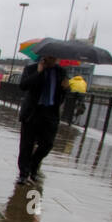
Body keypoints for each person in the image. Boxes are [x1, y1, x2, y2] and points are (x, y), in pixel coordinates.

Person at [16, 55, 69, 185]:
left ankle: (33, 165)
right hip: (32, 112)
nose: (53, 60)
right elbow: (23, 85)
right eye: (50, 57)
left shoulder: (61, 72)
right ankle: (24, 174)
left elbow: (63, 94)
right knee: (26, 145)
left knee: (48, 144)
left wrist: (65, 88)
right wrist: (38, 73)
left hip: (50, 113)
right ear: (44, 58)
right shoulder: (31, 69)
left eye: (54, 58)